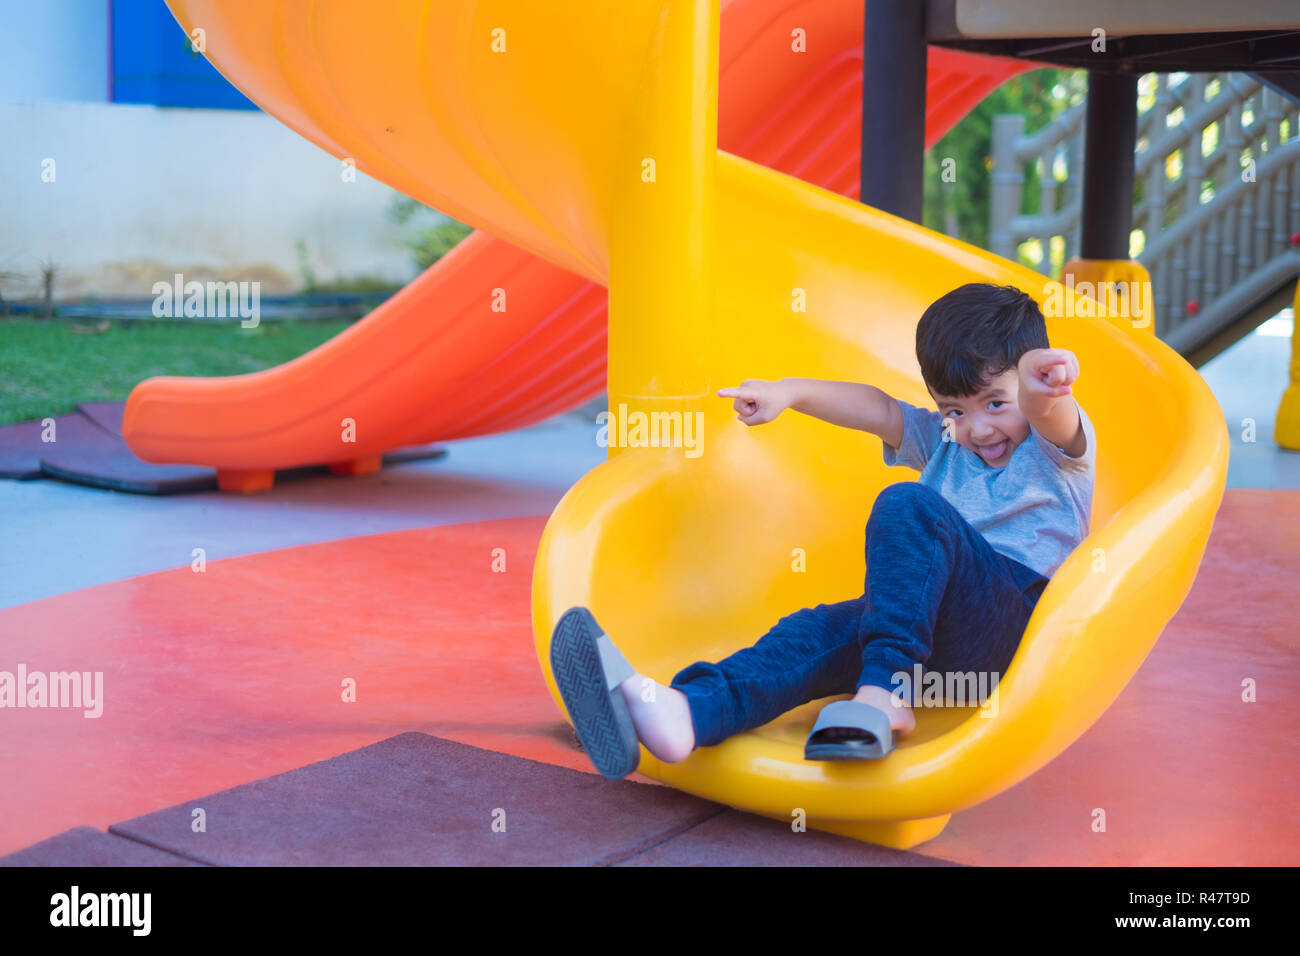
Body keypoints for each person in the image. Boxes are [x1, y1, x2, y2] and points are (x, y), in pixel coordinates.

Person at [550, 282, 1097, 779]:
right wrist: (789, 392)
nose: (978, 427)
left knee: (909, 504)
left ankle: (884, 692)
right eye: (953, 409)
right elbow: (878, 407)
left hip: (1014, 623)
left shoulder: (1052, 450)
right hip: (928, 637)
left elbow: (1053, 413)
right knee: (813, 634)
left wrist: (1041, 388)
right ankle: (687, 712)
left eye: (996, 404)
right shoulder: (946, 441)